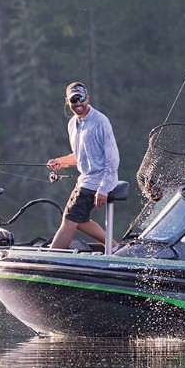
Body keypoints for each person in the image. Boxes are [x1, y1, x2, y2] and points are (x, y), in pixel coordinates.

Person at [46, 81, 121, 251]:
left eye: (81, 98)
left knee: (69, 219)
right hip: (84, 180)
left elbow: (113, 158)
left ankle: (53, 258)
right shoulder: (72, 124)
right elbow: (80, 157)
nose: (78, 103)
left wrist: (103, 188)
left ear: (88, 98)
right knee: (79, 220)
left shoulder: (101, 121)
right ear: (67, 102)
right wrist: (61, 162)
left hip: (98, 180)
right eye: (74, 100)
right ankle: (116, 248)